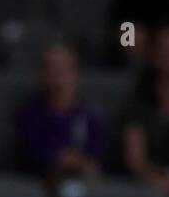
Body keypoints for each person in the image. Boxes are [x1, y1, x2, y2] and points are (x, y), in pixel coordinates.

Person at [13, 41, 103, 185]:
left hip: (82, 188)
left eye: (64, 70)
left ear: (75, 74)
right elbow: (34, 157)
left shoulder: (89, 117)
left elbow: (94, 162)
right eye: (52, 69)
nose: (58, 77)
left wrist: (80, 164)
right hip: (35, 190)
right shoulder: (28, 115)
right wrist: (64, 160)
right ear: (42, 75)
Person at [119, 23, 169, 197]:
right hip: (149, 186)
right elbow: (135, 159)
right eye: (165, 49)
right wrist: (156, 179)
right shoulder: (137, 104)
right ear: (153, 55)